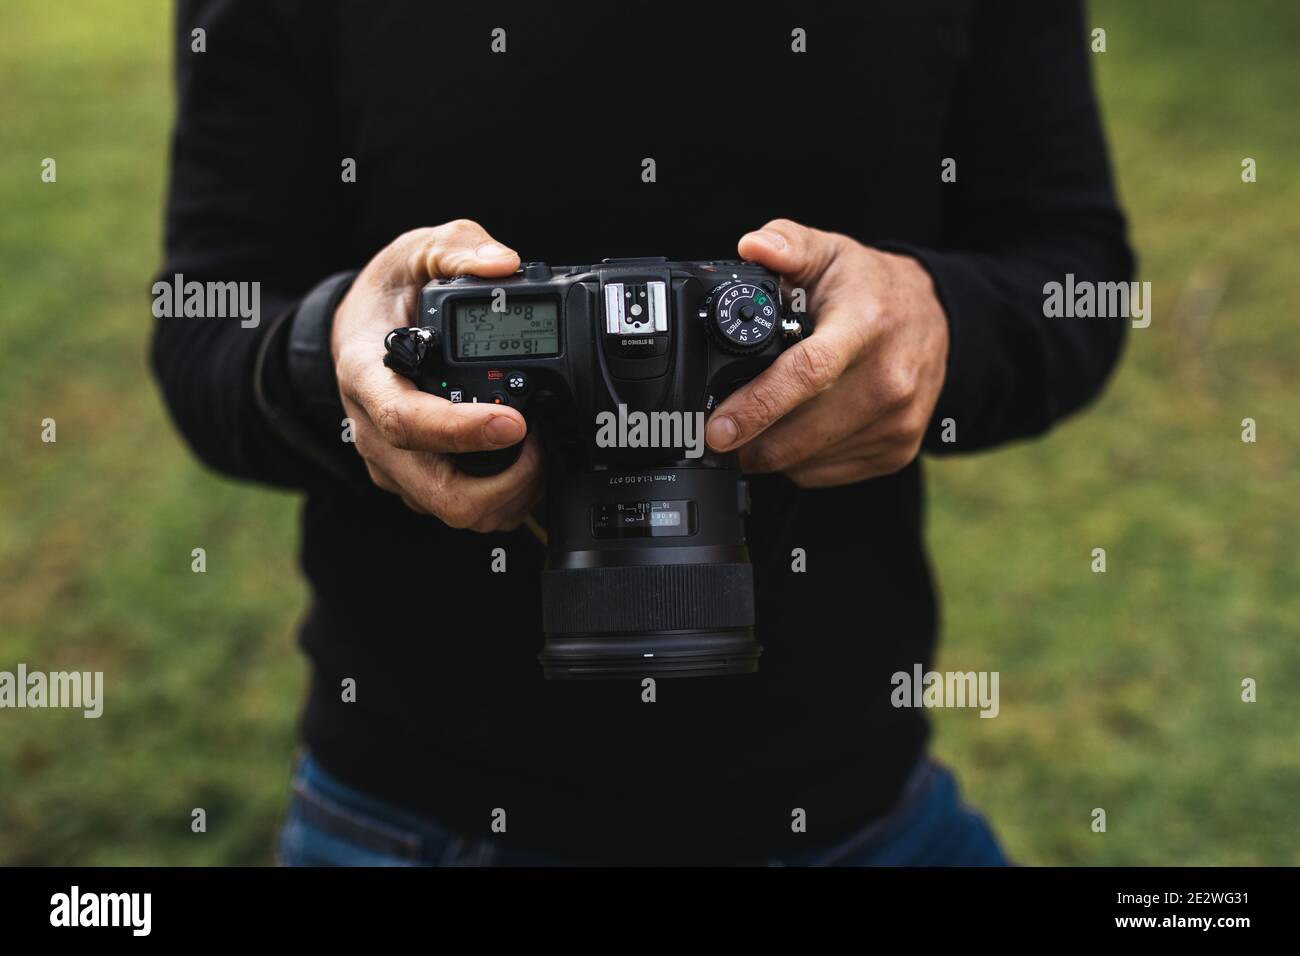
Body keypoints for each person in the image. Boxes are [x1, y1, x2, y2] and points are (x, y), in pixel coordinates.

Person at [152, 0, 1132, 865]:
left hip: (858, 797)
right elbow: (205, 324)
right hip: (418, 802)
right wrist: (339, 355)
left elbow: (1074, 275)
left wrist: (935, 321)